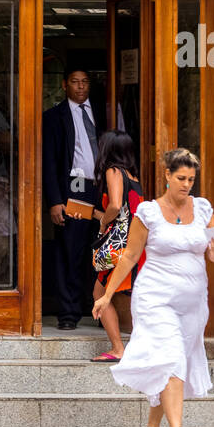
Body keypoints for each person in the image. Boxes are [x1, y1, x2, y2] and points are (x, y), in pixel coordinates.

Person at [92, 148, 214, 427]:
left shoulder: (204, 208)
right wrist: (108, 295)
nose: (186, 184)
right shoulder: (148, 212)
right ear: (167, 175)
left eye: (191, 179)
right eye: (181, 178)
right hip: (155, 298)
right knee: (171, 357)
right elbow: (129, 256)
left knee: (175, 361)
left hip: (193, 301)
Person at [43, 68, 102, 330]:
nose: (80, 87)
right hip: (73, 190)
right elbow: (49, 162)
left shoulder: (103, 111)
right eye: (75, 82)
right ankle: (69, 313)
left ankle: (103, 311)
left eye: (85, 82)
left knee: (103, 250)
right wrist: (55, 201)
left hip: (101, 189)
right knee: (70, 250)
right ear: (65, 85)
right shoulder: (54, 117)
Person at [88, 130, 146, 363]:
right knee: (127, 294)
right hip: (134, 239)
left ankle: (118, 348)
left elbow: (113, 206)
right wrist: (93, 214)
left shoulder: (113, 171)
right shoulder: (134, 178)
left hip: (119, 245)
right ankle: (130, 347)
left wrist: (102, 222)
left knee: (100, 293)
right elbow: (126, 213)